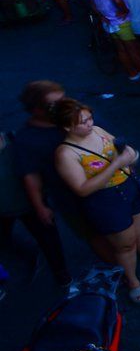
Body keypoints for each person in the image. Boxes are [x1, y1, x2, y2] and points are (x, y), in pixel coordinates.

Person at [52, 99, 140, 305]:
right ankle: (133, 282)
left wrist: (130, 156)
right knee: (125, 246)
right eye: (82, 122)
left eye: (89, 118)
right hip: (104, 200)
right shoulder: (66, 153)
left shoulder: (97, 130)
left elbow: (119, 148)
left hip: (128, 188)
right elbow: (82, 189)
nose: (89, 124)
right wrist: (117, 164)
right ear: (67, 126)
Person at [6, 81, 73, 287]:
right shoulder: (26, 140)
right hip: (55, 196)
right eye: (55, 104)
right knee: (46, 238)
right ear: (37, 109)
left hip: (85, 186)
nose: (64, 107)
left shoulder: (67, 121)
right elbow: (30, 175)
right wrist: (40, 207)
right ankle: (60, 275)